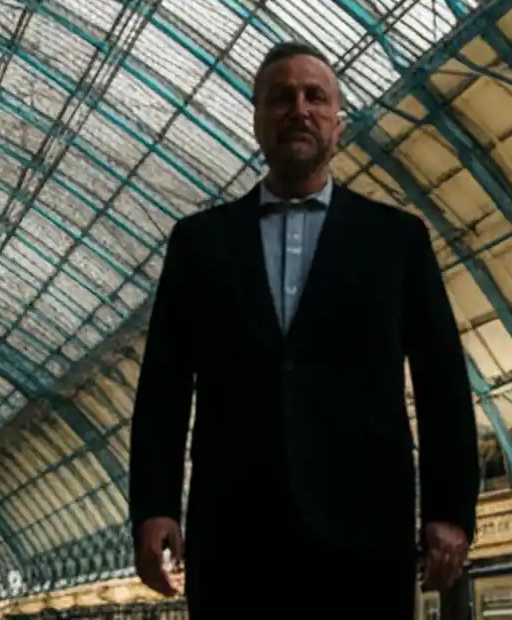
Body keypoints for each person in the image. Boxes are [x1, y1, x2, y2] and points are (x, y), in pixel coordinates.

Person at [128, 41, 479, 618]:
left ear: (338, 123)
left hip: (367, 537)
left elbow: (442, 382)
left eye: (315, 97)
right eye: (280, 98)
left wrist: (450, 509)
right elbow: (163, 387)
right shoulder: (199, 244)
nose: (299, 108)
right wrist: (154, 506)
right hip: (235, 537)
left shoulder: (397, 240)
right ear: (258, 121)